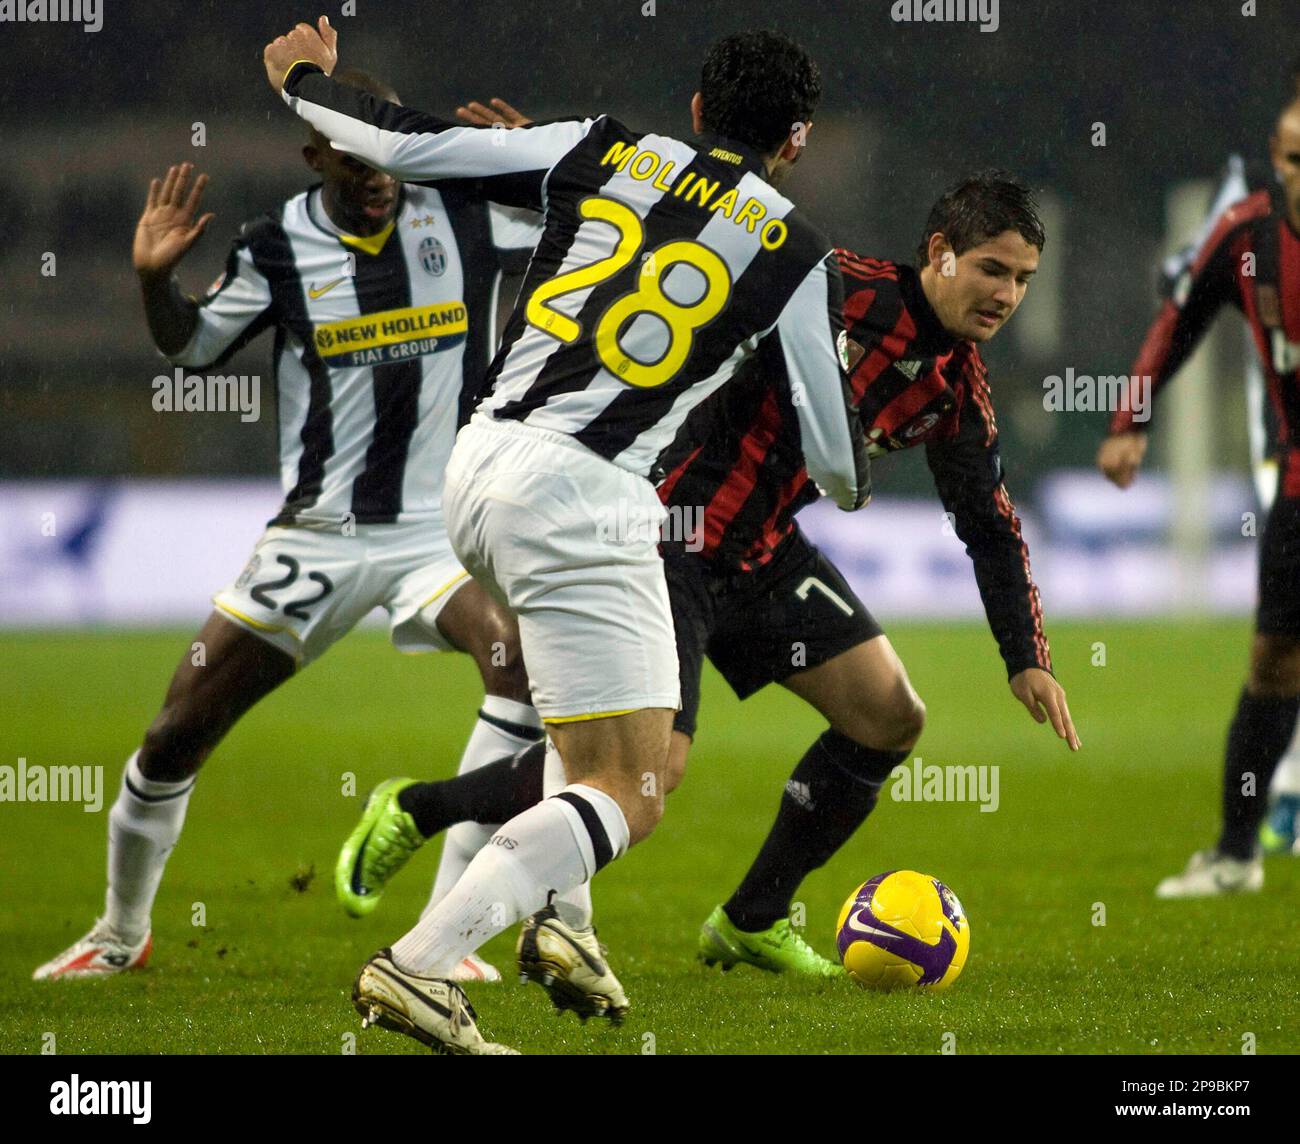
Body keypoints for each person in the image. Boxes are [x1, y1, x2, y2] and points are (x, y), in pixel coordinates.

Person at [264, 18, 870, 1053]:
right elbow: (839, 467)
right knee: (633, 788)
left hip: (481, 461)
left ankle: (567, 930)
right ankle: (416, 965)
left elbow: (404, 144)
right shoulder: (800, 254)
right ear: (797, 142)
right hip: (589, 496)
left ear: (693, 109)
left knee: (578, 745)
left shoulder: (598, 146)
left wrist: (304, 81)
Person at [344, 171, 1078, 990]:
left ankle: (752, 920)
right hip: (666, 540)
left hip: (763, 553)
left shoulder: (955, 390)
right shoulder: (824, 287)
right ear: (939, 253)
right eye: (992, 269)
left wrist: (1027, 657)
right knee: (646, 775)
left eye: (1022, 280)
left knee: (889, 715)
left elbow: (989, 523)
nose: (1007, 295)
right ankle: (421, 807)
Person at [33, 69, 546, 983]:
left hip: (439, 532)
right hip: (319, 534)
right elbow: (189, 348)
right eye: (352, 155)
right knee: (175, 732)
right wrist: (155, 283)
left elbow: (580, 232)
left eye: (385, 149)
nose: (377, 170)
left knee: (517, 662)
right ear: (316, 157)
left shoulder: (462, 213)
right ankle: (120, 933)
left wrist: (529, 166)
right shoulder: (278, 244)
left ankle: (448, 929)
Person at [1099, 79, 1300, 897]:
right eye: (1295, 156)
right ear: (1278, 160)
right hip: (1298, 481)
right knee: (1273, 662)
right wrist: (1128, 419)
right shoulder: (1248, 233)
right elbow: (1177, 321)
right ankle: (1235, 854)